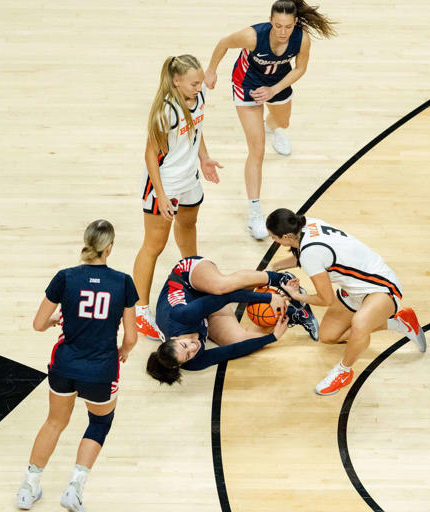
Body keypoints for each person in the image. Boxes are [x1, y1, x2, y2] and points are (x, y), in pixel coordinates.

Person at [16, 220, 138, 510]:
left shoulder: (65, 277)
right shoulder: (122, 282)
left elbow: (37, 324)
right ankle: (73, 489)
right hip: (101, 369)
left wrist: (54, 321)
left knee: (55, 422)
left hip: (65, 365)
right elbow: (131, 337)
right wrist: (124, 351)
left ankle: (28, 487)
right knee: (99, 422)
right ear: (110, 247)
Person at [204, 0, 337, 239]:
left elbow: (300, 69)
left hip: (278, 83)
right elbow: (224, 43)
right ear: (270, 22)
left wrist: (273, 91)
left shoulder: (301, 38)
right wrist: (211, 71)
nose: (283, 32)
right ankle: (254, 213)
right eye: (277, 26)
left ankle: (272, 127)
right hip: (247, 85)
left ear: (295, 22)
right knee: (257, 150)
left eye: (287, 26)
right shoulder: (252, 36)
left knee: (283, 122)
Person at [265, 209, 426, 396]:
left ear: (285, 237)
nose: (273, 240)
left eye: (273, 237)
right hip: (353, 289)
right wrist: (275, 268)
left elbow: (326, 299)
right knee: (328, 336)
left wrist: (296, 296)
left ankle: (343, 371)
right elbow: (306, 255)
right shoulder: (308, 224)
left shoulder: (310, 253)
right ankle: (399, 323)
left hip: (381, 287)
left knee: (360, 324)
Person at [133, 54, 224, 341]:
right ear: (176, 80)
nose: (199, 86)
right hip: (166, 183)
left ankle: (193, 281)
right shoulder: (166, 111)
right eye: (194, 82)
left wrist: (205, 158)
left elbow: (196, 128)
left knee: (189, 226)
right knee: (154, 245)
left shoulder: (199, 95)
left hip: (190, 178)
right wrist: (160, 195)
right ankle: (139, 311)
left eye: (200, 82)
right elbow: (150, 154)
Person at [146, 256, 319, 384]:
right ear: (182, 363)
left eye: (185, 345)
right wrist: (273, 337)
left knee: (221, 287)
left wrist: (267, 298)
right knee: (240, 339)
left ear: (174, 339)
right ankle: (294, 313)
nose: (194, 347)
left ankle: (279, 278)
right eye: (188, 355)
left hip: (187, 278)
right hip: (204, 312)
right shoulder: (191, 362)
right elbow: (232, 351)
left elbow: (227, 297)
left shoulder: (181, 317)